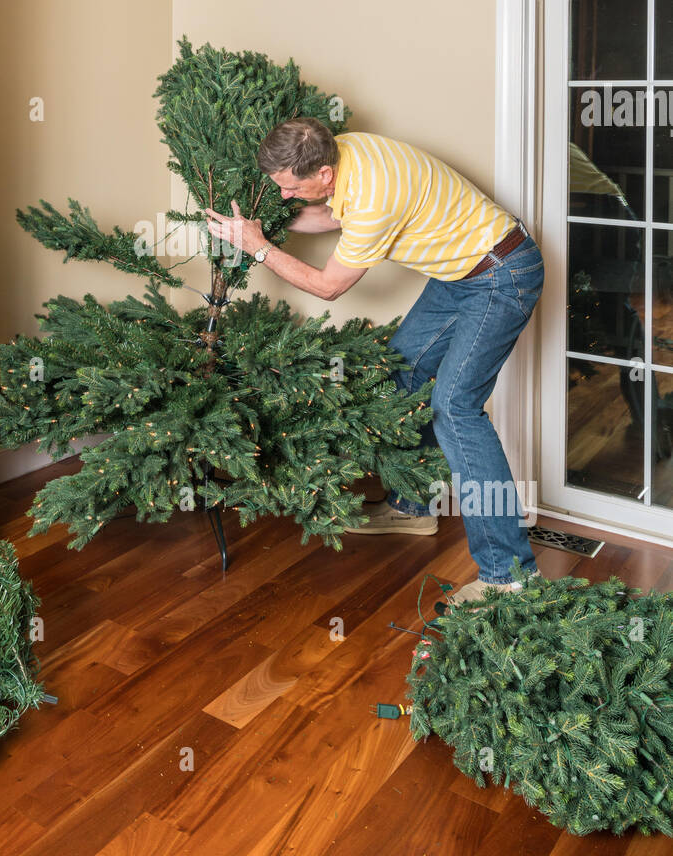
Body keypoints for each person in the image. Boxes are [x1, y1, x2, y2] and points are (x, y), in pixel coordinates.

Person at [204, 116, 545, 608]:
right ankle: (413, 506)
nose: (282, 196)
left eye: (289, 188)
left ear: (323, 173)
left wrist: (259, 250)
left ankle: (509, 574)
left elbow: (328, 286)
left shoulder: (375, 195)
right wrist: (260, 228)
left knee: (455, 409)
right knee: (404, 376)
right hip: (462, 272)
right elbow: (331, 216)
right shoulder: (346, 153)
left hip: (499, 276)